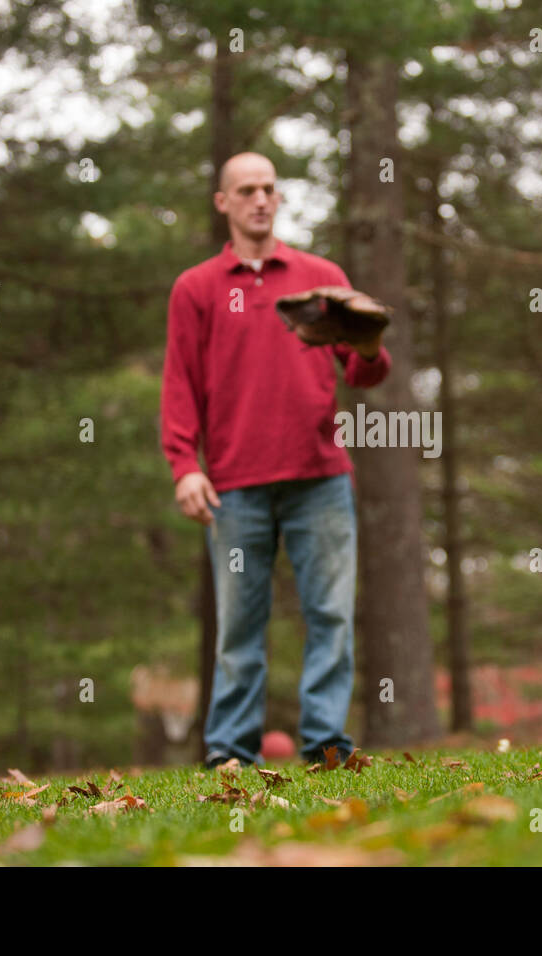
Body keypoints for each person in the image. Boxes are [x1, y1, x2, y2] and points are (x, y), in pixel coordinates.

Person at [161, 152, 391, 767]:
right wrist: (185, 464)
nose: (260, 199)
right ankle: (231, 751)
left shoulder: (319, 276)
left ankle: (324, 745)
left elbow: (364, 373)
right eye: (246, 190)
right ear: (224, 203)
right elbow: (180, 382)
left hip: (320, 479)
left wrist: (367, 344)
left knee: (332, 618)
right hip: (235, 485)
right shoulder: (197, 288)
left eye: (269, 188)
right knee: (239, 628)